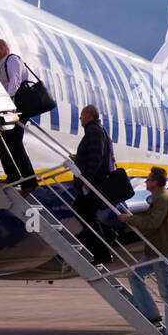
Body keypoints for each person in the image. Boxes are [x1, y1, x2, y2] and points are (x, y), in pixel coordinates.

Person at [118, 166, 168, 335]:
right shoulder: (163, 196)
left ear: (155, 182)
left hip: (161, 251)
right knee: (134, 275)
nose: (146, 181)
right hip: (157, 248)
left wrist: (129, 219)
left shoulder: (162, 198)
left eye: (148, 179)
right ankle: (151, 313)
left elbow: (153, 223)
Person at [0, 39, 37, 195]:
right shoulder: (3, 64)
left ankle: (28, 181)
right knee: (3, 142)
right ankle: (15, 176)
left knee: (13, 142)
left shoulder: (12, 60)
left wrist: (6, 104)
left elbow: (15, 82)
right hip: (12, 108)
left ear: (3, 48)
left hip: (17, 109)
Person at [70, 104, 116, 265]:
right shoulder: (99, 130)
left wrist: (86, 180)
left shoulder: (93, 131)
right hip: (98, 180)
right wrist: (79, 158)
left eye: (82, 115)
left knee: (82, 211)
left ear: (89, 116)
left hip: (94, 182)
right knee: (87, 213)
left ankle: (102, 252)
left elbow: (96, 158)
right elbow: (98, 156)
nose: (80, 119)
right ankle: (108, 236)